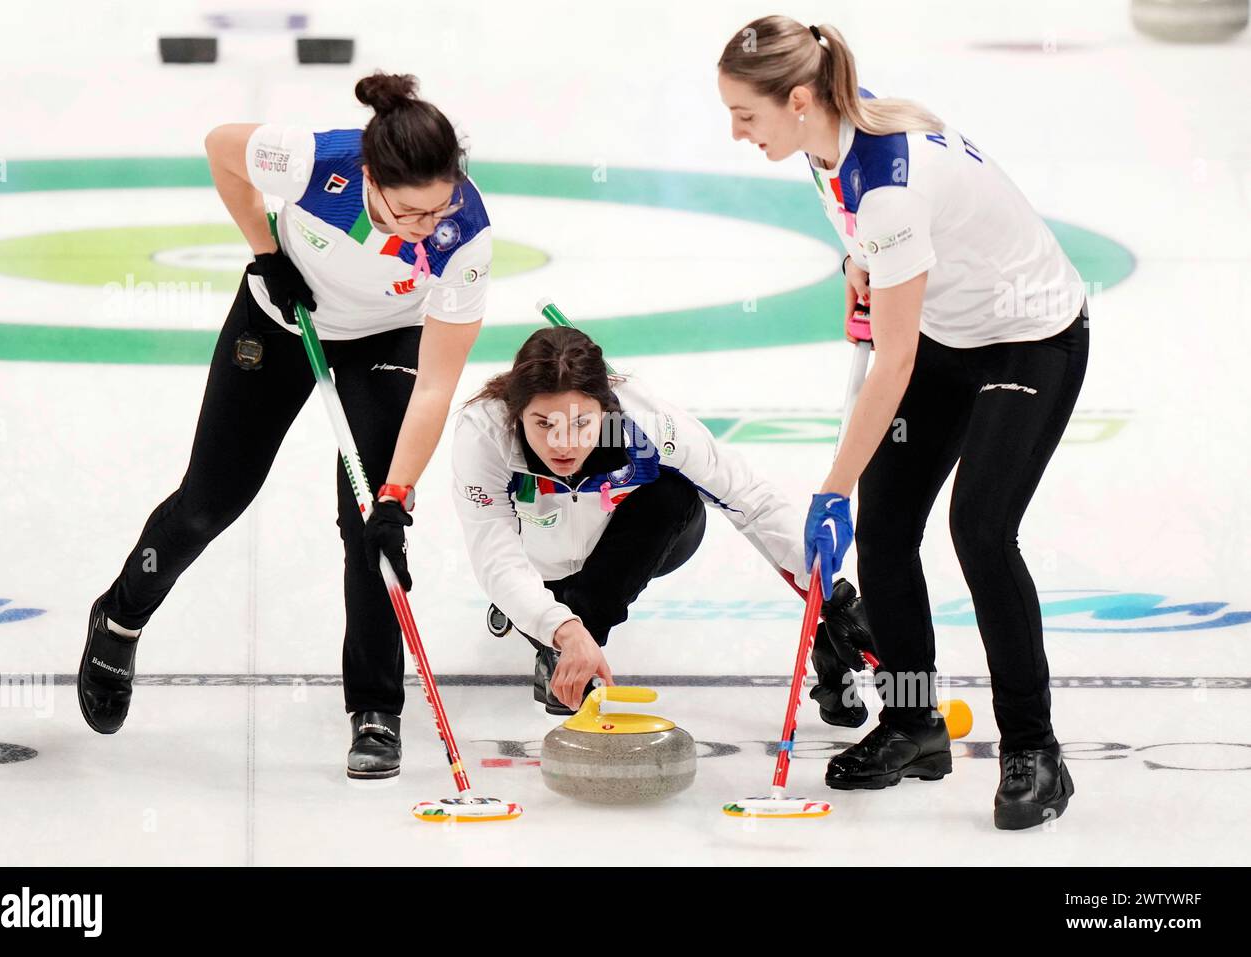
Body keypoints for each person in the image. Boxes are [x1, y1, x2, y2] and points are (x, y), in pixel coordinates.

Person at [719, 17, 1090, 829]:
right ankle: (915, 721)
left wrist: (832, 488)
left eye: (747, 115)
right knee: (887, 531)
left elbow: (890, 366)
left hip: (1030, 341)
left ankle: (1035, 749)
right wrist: (863, 260)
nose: (736, 132)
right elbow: (878, 245)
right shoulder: (827, 142)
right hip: (948, 334)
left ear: (800, 98)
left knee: (981, 531)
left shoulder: (887, 177)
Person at [78, 72, 491, 781]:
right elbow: (220, 148)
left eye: (438, 208)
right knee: (211, 500)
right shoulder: (311, 161)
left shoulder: (464, 239)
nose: (429, 226)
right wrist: (267, 252)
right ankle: (119, 617)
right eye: (409, 213)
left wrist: (397, 491)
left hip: (383, 341)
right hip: (280, 317)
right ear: (370, 176)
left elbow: (436, 385)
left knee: (370, 522)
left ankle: (375, 709)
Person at [450, 325, 875, 718]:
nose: (563, 443)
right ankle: (551, 619)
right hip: (536, 556)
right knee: (528, 595)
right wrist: (559, 625)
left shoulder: (649, 424)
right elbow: (496, 555)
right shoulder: (485, 433)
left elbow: (750, 500)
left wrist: (835, 598)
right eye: (543, 424)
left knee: (673, 491)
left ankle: (575, 633)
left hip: (628, 544)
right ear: (516, 412)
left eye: (581, 423)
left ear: (605, 407)